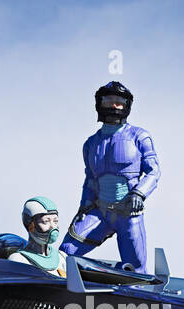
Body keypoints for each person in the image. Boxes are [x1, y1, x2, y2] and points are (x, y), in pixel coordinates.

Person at [59, 82, 160, 273]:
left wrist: (139, 193)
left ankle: (137, 297)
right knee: (67, 252)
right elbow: (90, 179)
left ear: (127, 105)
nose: (114, 106)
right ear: (99, 103)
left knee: (136, 270)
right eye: (109, 100)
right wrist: (83, 206)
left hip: (128, 214)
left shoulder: (139, 136)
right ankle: (64, 286)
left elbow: (154, 171)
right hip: (99, 212)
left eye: (119, 102)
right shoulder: (91, 143)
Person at [2, 196, 66, 277]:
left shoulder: (62, 257)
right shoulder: (18, 260)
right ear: (30, 224)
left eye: (55, 221)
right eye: (45, 221)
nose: (53, 226)